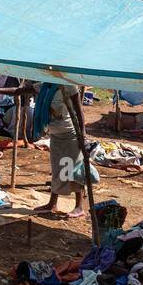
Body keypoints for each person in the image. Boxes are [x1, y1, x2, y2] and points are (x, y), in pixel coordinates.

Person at [30, 81, 87, 219]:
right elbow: (20, 90)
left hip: (70, 135)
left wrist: (83, 135)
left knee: (74, 169)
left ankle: (79, 206)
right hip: (55, 135)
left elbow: (79, 111)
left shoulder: (68, 86)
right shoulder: (44, 86)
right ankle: (52, 203)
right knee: (57, 169)